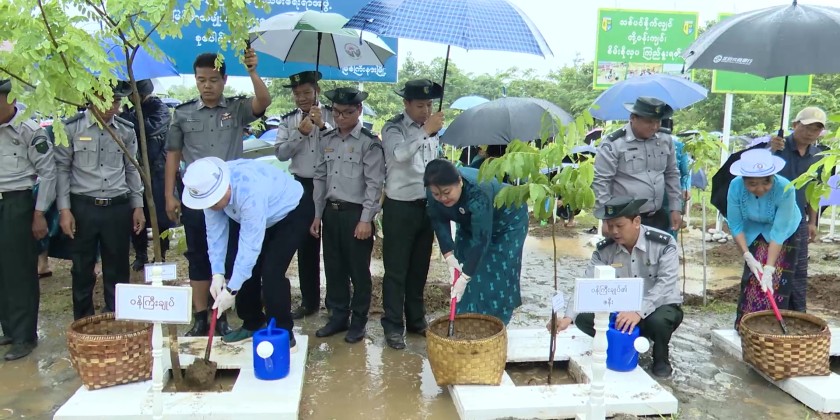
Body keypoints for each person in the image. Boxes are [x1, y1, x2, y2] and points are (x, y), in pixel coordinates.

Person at [164, 50, 271, 338]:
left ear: (224, 80)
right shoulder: (183, 113)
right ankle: (200, 317)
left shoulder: (236, 108)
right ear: (195, 80)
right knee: (199, 255)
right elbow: (173, 155)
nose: (207, 85)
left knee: (231, 255)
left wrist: (252, 72)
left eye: (213, 79)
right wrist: (169, 195)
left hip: (229, 199)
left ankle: (221, 314)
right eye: (201, 80)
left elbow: (263, 102)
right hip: (196, 197)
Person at [548, 196, 684, 378]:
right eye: (609, 226)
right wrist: (567, 318)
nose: (614, 231)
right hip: (622, 310)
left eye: (619, 226)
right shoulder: (605, 250)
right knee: (584, 318)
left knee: (659, 321)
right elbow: (588, 283)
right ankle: (621, 344)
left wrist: (638, 312)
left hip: (658, 307)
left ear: (636, 222)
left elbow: (665, 284)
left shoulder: (663, 243)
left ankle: (660, 356)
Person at [181, 157, 309, 347]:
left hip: (289, 212)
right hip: (251, 215)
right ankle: (253, 322)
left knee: (271, 271)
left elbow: (250, 247)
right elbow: (215, 236)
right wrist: (217, 273)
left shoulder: (250, 192)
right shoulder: (210, 194)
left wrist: (231, 290)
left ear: (226, 188)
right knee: (234, 263)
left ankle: (282, 331)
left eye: (215, 203)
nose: (213, 208)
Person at [54, 82, 146, 321]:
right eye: (103, 100)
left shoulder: (125, 130)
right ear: (90, 98)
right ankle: (84, 320)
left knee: (117, 267)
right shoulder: (72, 128)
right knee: (82, 268)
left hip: (116, 206)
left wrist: (138, 205)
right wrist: (64, 209)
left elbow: (132, 169)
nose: (110, 107)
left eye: (115, 101)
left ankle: (117, 317)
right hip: (83, 206)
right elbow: (62, 170)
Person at [310, 87, 385, 344]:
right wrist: (317, 215)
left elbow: (375, 185)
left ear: (359, 111)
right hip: (331, 213)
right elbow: (320, 178)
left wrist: (366, 219)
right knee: (333, 267)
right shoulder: (327, 140)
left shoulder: (369, 143)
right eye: (336, 112)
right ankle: (338, 316)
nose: (340, 117)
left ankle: (359, 320)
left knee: (358, 271)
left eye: (347, 112)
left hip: (356, 216)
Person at [380, 79, 444, 349]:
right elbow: (398, 156)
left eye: (429, 105)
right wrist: (424, 132)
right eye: (420, 105)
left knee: (419, 268)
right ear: (406, 103)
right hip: (399, 208)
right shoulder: (393, 127)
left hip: (426, 206)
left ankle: (416, 319)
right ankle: (393, 326)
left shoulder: (434, 129)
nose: (426, 111)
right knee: (396, 271)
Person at [424, 159, 528, 325]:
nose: (442, 198)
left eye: (446, 192)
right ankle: (466, 318)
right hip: (470, 221)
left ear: (459, 181)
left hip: (507, 220)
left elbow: (481, 240)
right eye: (437, 194)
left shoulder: (479, 190)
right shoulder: (433, 191)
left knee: (498, 272)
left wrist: (465, 277)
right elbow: (438, 221)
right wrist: (449, 257)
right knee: (464, 261)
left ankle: (495, 323)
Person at [0, 79, 56, 360]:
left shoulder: (28, 130)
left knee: (19, 272)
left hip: (17, 203)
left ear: (8, 99)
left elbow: (47, 173)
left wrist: (39, 213)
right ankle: (9, 329)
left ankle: (25, 336)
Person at [273, 70, 334, 320]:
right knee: (306, 246)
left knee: (333, 248)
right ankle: (310, 301)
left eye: (307, 93)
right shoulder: (288, 121)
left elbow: (340, 141)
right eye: (297, 94)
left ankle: (336, 303)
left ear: (317, 92)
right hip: (302, 187)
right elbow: (280, 153)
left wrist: (322, 125)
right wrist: (301, 133)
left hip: (332, 186)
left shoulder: (331, 114)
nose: (301, 98)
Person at [726, 149, 801, 327]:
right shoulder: (735, 186)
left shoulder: (785, 188)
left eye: (766, 182)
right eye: (752, 184)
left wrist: (769, 268)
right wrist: (747, 255)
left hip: (783, 231)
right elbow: (735, 225)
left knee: (776, 279)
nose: (760, 188)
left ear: (773, 176)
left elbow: (779, 231)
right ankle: (747, 325)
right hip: (752, 229)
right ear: (743, 180)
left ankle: (772, 327)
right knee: (753, 277)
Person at [592, 97, 682, 234]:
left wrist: (675, 208)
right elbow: (601, 182)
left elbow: (672, 174)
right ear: (633, 118)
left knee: (658, 254)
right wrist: (607, 220)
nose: (655, 126)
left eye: (658, 121)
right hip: (625, 220)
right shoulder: (614, 143)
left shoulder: (665, 140)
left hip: (657, 216)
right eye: (649, 121)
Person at [769, 107, 827, 312]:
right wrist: (770, 151)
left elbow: (815, 191)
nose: (811, 132)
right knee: (770, 265)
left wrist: (813, 221)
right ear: (795, 125)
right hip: (771, 218)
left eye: (817, 128)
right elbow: (758, 176)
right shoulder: (777, 146)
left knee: (799, 269)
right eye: (807, 126)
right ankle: (766, 313)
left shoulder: (819, 156)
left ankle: (796, 314)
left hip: (799, 219)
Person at [120, 79, 172, 270]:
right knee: (136, 212)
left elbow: (149, 128)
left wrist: (126, 117)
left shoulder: (161, 109)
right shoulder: (132, 112)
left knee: (159, 216)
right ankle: (140, 254)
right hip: (137, 170)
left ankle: (161, 253)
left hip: (158, 171)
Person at [659, 119, 691, 239]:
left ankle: (669, 253)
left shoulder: (679, 146)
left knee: (671, 226)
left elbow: (685, 172)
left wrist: (686, 187)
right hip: (652, 194)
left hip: (671, 193)